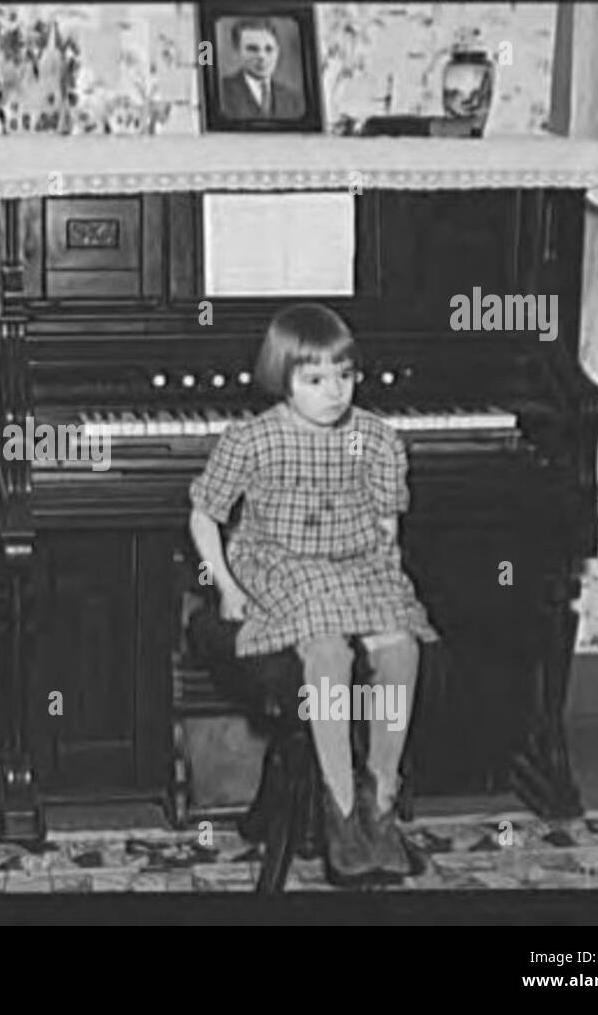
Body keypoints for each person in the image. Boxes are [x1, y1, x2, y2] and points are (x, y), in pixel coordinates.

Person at [188, 304, 439, 881]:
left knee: (400, 646)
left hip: (355, 559)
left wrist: (386, 575)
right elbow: (205, 515)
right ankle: (341, 803)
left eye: (344, 376)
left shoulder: (373, 438)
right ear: (283, 376)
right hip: (282, 563)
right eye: (314, 379)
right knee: (328, 649)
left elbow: (385, 520)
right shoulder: (253, 439)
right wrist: (226, 587)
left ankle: (381, 798)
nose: (334, 392)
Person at [218, 18, 305, 121]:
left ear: (278, 52)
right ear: (237, 52)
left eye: (269, 49)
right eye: (252, 49)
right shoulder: (221, 92)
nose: (262, 57)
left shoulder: (293, 99)